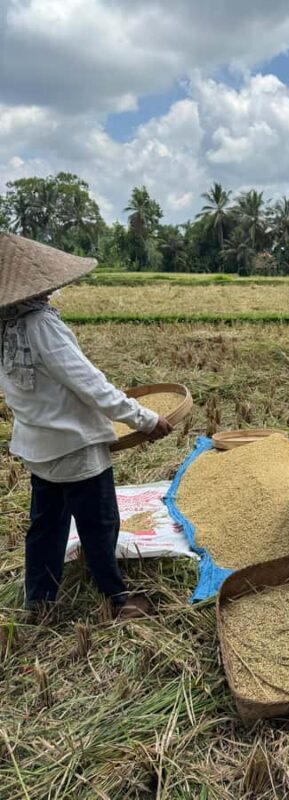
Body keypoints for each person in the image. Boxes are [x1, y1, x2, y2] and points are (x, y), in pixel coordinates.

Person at [0, 233, 172, 622]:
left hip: (39, 445)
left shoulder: (5, 327)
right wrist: (143, 418)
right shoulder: (41, 323)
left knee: (46, 526)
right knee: (100, 524)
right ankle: (117, 598)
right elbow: (89, 383)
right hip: (74, 446)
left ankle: (39, 601)